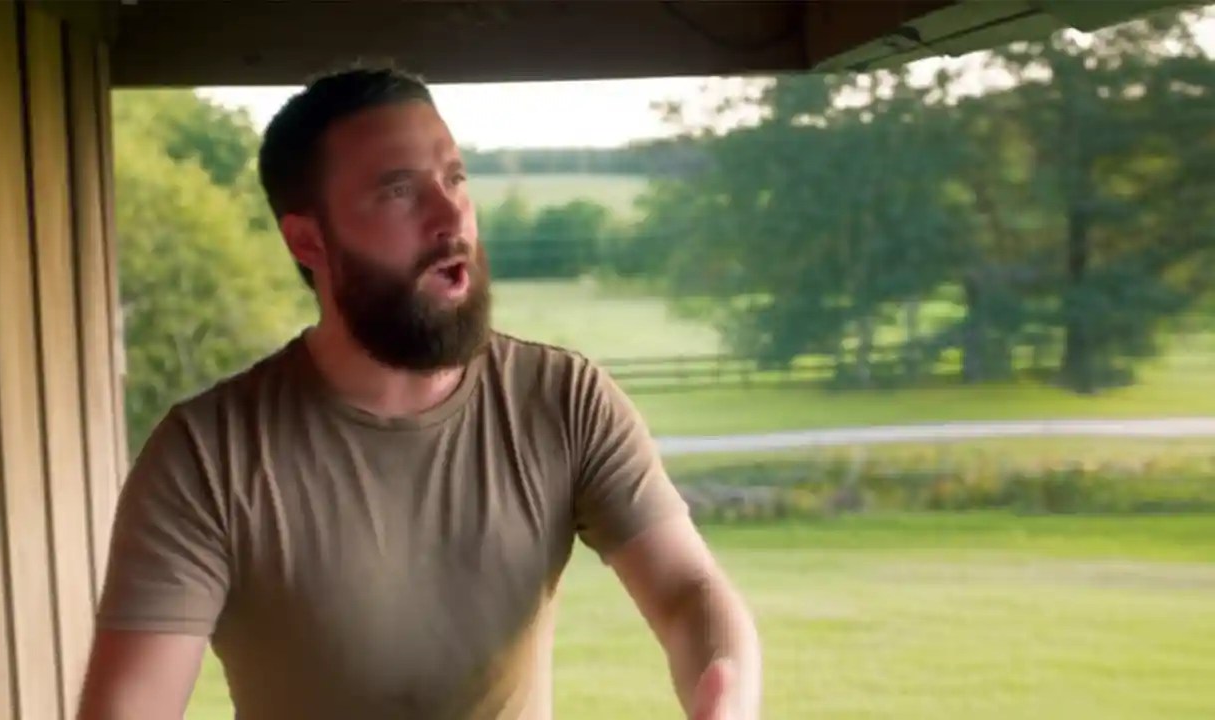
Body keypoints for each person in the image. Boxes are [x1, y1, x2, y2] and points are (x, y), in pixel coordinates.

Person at [78, 66, 761, 720]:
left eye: (455, 177)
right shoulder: (207, 456)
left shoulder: (564, 400)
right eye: (399, 190)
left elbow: (686, 591)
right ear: (309, 239)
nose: (449, 215)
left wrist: (724, 697)